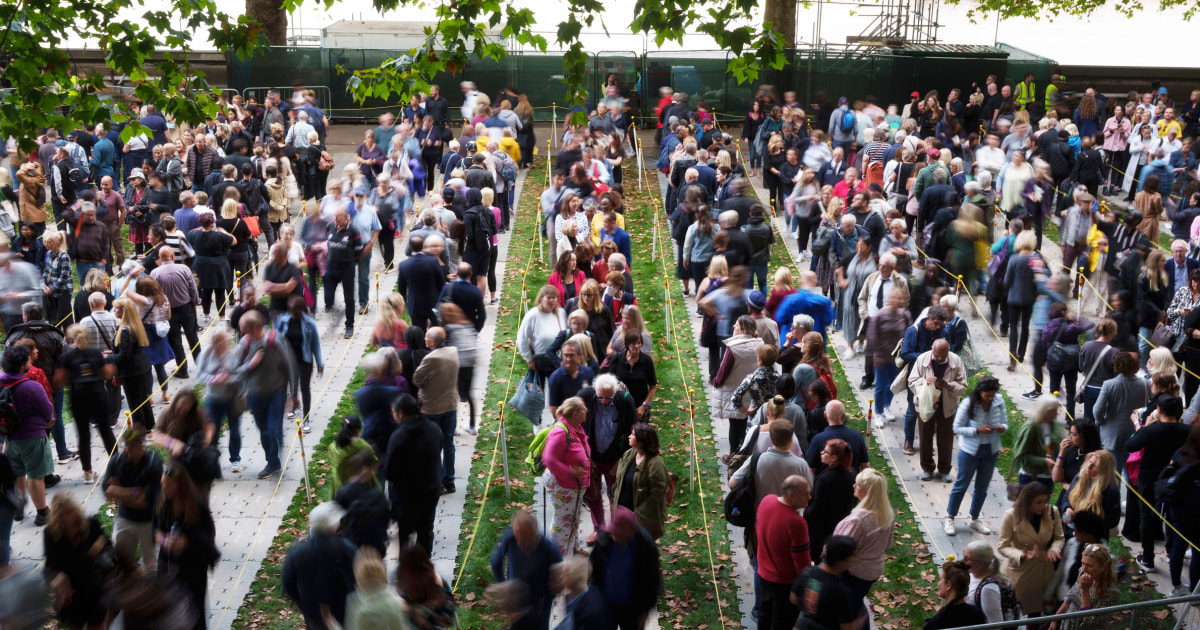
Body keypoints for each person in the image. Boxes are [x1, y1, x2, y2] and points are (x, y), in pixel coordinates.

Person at [228, 310, 297, 480]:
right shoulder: (244, 343)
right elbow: (235, 371)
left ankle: (273, 462)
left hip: (276, 392)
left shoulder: (275, 339)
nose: (242, 333)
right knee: (264, 431)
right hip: (255, 394)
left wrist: (293, 394)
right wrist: (251, 365)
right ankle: (273, 454)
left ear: (255, 327)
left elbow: (291, 366)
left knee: (273, 429)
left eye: (244, 329)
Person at [1125, 394, 1189, 572]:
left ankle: (1148, 559)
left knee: (1146, 517)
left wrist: (1139, 425)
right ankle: (1171, 552)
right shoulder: (1186, 431)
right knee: (1172, 516)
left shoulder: (1150, 431)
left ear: (1158, 410)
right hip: (1176, 479)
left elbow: (1130, 445)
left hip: (1149, 479)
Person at [155, 464, 218, 630]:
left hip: (192, 569)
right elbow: (155, 529)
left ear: (180, 485)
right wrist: (163, 539)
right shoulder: (163, 502)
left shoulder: (196, 506)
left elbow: (209, 540)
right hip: (167, 565)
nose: (164, 488)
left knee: (194, 614)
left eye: (168, 485)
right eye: (162, 484)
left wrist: (188, 541)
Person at [943, 376, 1007, 536]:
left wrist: (1001, 427)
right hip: (969, 450)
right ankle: (950, 517)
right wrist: (976, 430)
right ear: (980, 391)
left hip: (990, 450)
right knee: (961, 484)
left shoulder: (999, 401)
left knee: (982, 487)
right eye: (988, 395)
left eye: (993, 395)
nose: (991, 398)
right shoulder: (968, 403)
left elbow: (1005, 423)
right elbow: (956, 427)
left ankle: (974, 518)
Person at [54, 325, 117, 485]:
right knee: (105, 430)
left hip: (79, 398)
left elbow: (60, 380)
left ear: (70, 339)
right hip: (98, 395)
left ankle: (88, 473)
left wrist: (75, 377)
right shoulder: (95, 353)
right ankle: (117, 468)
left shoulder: (67, 357)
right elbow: (107, 374)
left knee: (83, 435)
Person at [281, 501, 359, 630]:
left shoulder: (297, 552)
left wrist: (304, 604)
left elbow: (288, 584)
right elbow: (359, 574)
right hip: (345, 610)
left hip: (314, 613)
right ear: (333, 525)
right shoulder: (345, 547)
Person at [385, 394, 443, 556]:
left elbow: (389, 471)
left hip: (406, 497)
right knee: (426, 531)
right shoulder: (434, 429)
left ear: (400, 414)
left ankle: (406, 570)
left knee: (405, 533)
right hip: (430, 491)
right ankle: (425, 568)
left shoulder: (398, 437)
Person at [43, 494, 112, 629]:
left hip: (94, 587)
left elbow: (108, 549)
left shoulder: (90, 524)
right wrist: (58, 576)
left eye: (70, 511)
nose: (69, 517)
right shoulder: (51, 533)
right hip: (71, 593)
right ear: (57, 519)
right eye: (63, 515)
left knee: (97, 624)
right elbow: (49, 566)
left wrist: (100, 546)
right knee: (75, 625)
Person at [998, 482, 1064, 619]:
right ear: (1027, 501)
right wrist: (1021, 555)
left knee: (1037, 611)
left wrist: (1053, 549)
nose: (1043, 506)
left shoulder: (1053, 512)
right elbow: (1002, 546)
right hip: (1019, 571)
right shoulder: (1011, 515)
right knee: (1011, 611)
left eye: (1045, 501)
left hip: (1043, 570)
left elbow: (1059, 537)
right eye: (1038, 502)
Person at [829, 468, 894, 607]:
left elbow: (837, 549)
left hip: (853, 573)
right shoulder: (887, 515)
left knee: (846, 608)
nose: (853, 485)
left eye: (857, 485)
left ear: (867, 492)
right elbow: (888, 545)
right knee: (855, 602)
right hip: (873, 571)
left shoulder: (857, 521)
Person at [756, 474, 812, 630]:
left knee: (764, 615)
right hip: (784, 583)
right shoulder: (797, 523)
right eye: (805, 493)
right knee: (782, 623)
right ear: (790, 495)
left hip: (763, 574)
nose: (809, 496)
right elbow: (802, 562)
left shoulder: (767, 500)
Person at [490, 510, 562, 630]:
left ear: (536, 532)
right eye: (517, 538)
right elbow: (496, 563)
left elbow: (559, 580)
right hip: (516, 600)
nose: (520, 544)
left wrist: (547, 597)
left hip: (540, 605)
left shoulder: (550, 549)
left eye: (525, 540)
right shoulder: (510, 536)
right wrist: (503, 586)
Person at [908, 338, 968, 482]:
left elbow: (963, 386)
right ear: (932, 349)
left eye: (943, 355)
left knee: (946, 439)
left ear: (948, 351)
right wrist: (925, 382)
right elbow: (911, 381)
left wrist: (949, 385)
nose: (940, 358)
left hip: (946, 405)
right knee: (925, 437)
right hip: (926, 404)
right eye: (937, 356)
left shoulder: (956, 361)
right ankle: (927, 468)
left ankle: (944, 469)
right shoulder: (922, 359)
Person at [541, 396, 592, 557]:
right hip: (563, 485)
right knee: (562, 523)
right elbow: (549, 459)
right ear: (575, 413)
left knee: (573, 519)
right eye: (584, 409)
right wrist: (571, 470)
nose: (586, 411)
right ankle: (557, 558)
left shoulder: (575, 427)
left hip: (574, 486)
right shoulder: (560, 431)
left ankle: (573, 549)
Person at [412, 326, 460, 494]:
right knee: (448, 443)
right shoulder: (453, 351)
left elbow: (417, 379)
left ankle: (438, 482)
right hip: (450, 405)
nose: (424, 339)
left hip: (432, 408)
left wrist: (425, 382)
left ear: (432, 341)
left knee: (432, 445)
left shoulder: (430, 358)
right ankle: (450, 480)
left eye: (426, 336)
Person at [712, 316, 764, 457]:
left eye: (736, 325)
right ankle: (746, 452)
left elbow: (723, 372)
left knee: (735, 425)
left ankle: (734, 455)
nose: (733, 326)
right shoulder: (760, 343)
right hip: (753, 392)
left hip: (735, 393)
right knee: (747, 424)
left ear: (743, 330)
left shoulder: (733, 348)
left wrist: (716, 382)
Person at [1092, 350, 1147, 475]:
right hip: (1135, 433)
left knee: (1113, 475)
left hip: (1113, 435)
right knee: (1131, 474)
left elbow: (1097, 410)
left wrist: (1101, 421)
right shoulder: (1145, 384)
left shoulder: (1109, 385)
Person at [612, 422, 669, 541]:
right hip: (622, 513)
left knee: (639, 549)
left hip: (642, 520)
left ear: (641, 440)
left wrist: (637, 516)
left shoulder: (655, 464)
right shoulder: (630, 453)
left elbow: (656, 495)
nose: (629, 436)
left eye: (632, 435)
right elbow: (620, 479)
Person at [105, 297, 156, 430]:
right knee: (143, 400)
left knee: (135, 404)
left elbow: (124, 357)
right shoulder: (134, 324)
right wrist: (113, 352)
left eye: (117, 308)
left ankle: (141, 431)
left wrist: (106, 357)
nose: (114, 310)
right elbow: (129, 350)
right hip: (142, 367)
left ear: (124, 311)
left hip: (132, 372)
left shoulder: (125, 331)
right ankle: (149, 425)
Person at [805, 438, 857, 565]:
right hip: (841, 526)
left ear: (833, 458)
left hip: (823, 531)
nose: (821, 453)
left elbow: (817, 508)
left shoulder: (824, 479)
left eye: (825, 452)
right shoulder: (853, 474)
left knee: (820, 562)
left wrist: (806, 513)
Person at [790, 534, 859, 630]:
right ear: (841, 560)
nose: (853, 559)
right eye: (851, 556)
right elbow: (848, 628)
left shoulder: (807, 572)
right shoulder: (840, 591)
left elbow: (793, 599)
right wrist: (862, 620)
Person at [151, 248, 201, 379]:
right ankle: (201, 366)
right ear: (173, 256)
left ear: (161, 258)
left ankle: (183, 369)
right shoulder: (184, 269)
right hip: (186, 307)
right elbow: (192, 288)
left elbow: (154, 294)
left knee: (175, 340)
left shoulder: (155, 273)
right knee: (192, 336)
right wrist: (196, 301)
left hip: (169, 311)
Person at [275, 296, 323, 430]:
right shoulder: (283, 320)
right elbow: (276, 337)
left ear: (301, 311)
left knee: (304, 387)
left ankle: (306, 418)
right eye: (289, 311)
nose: (291, 314)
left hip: (304, 359)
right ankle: (293, 406)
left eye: (293, 311)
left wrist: (319, 363)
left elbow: (315, 344)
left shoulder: (309, 323)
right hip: (288, 358)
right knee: (290, 385)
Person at [1049, 544, 1120, 630]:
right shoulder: (1082, 572)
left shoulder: (1111, 592)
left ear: (1103, 567)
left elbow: (1089, 623)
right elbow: (1071, 596)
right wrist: (1055, 619)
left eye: (1089, 565)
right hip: (1069, 624)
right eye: (1083, 563)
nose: (1084, 569)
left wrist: (1085, 591)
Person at [187, 212, 236, 321]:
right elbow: (233, 241)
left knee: (205, 291)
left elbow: (188, 235)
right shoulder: (220, 235)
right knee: (220, 292)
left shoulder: (194, 235)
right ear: (211, 224)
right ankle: (222, 317)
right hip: (219, 266)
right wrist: (225, 231)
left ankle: (206, 314)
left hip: (201, 265)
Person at [518, 285, 568, 383]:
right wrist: (529, 358)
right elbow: (522, 339)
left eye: (554, 298)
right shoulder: (533, 315)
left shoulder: (561, 313)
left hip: (559, 361)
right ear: (541, 298)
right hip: (541, 362)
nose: (552, 301)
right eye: (548, 298)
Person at [963, 541, 1021, 623]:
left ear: (981, 564)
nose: (962, 560)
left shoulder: (988, 589)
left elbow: (995, 624)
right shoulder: (972, 574)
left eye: (967, 559)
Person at [923, 560, 987, 630]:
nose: (938, 583)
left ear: (948, 585)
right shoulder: (978, 614)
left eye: (941, 579)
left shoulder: (937, 623)